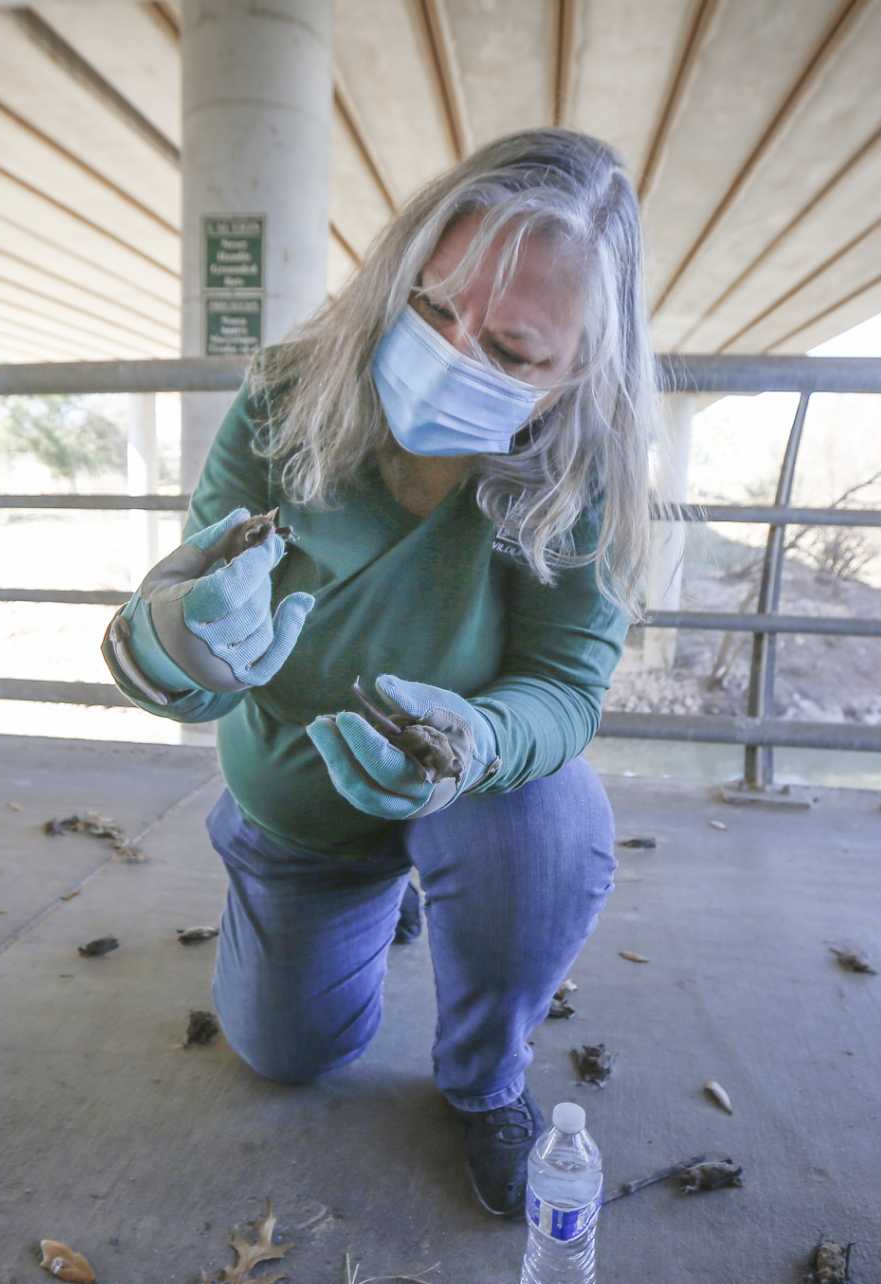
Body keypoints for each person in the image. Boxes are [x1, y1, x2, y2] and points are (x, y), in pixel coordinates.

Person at [101, 128, 660, 1216]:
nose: (454, 354)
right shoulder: (280, 401)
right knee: (284, 1055)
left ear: (575, 372)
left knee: (548, 832)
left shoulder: (581, 473)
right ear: (397, 270)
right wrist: (177, 641)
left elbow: (563, 683)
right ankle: (347, 890)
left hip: (475, 791)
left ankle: (484, 1076)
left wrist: (479, 742)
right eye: (434, 307)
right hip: (296, 793)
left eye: (510, 351)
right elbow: (198, 662)